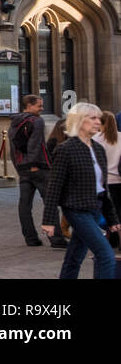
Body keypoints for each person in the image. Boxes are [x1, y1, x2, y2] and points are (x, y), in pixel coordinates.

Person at [42, 102, 120, 279]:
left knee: (74, 257)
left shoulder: (98, 149)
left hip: (95, 208)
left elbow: (103, 188)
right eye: (92, 118)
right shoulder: (65, 149)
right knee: (106, 255)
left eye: (99, 118)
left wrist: (112, 218)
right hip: (76, 211)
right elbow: (54, 187)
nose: (98, 122)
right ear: (78, 121)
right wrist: (48, 221)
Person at [11, 94, 67, 247]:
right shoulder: (37, 121)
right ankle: (56, 239)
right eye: (39, 106)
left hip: (23, 168)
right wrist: (34, 165)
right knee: (50, 203)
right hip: (38, 167)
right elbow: (35, 145)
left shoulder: (14, 122)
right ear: (29, 105)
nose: (42, 109)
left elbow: (13, 148)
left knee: (24, 204)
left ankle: (30, 238)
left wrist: (19, 166)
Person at [92, 110, 121, 245]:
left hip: (103, 180)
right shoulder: (120, 137)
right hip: (118, 179)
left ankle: (111, 238)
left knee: (107, 212)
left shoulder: (96, 138)